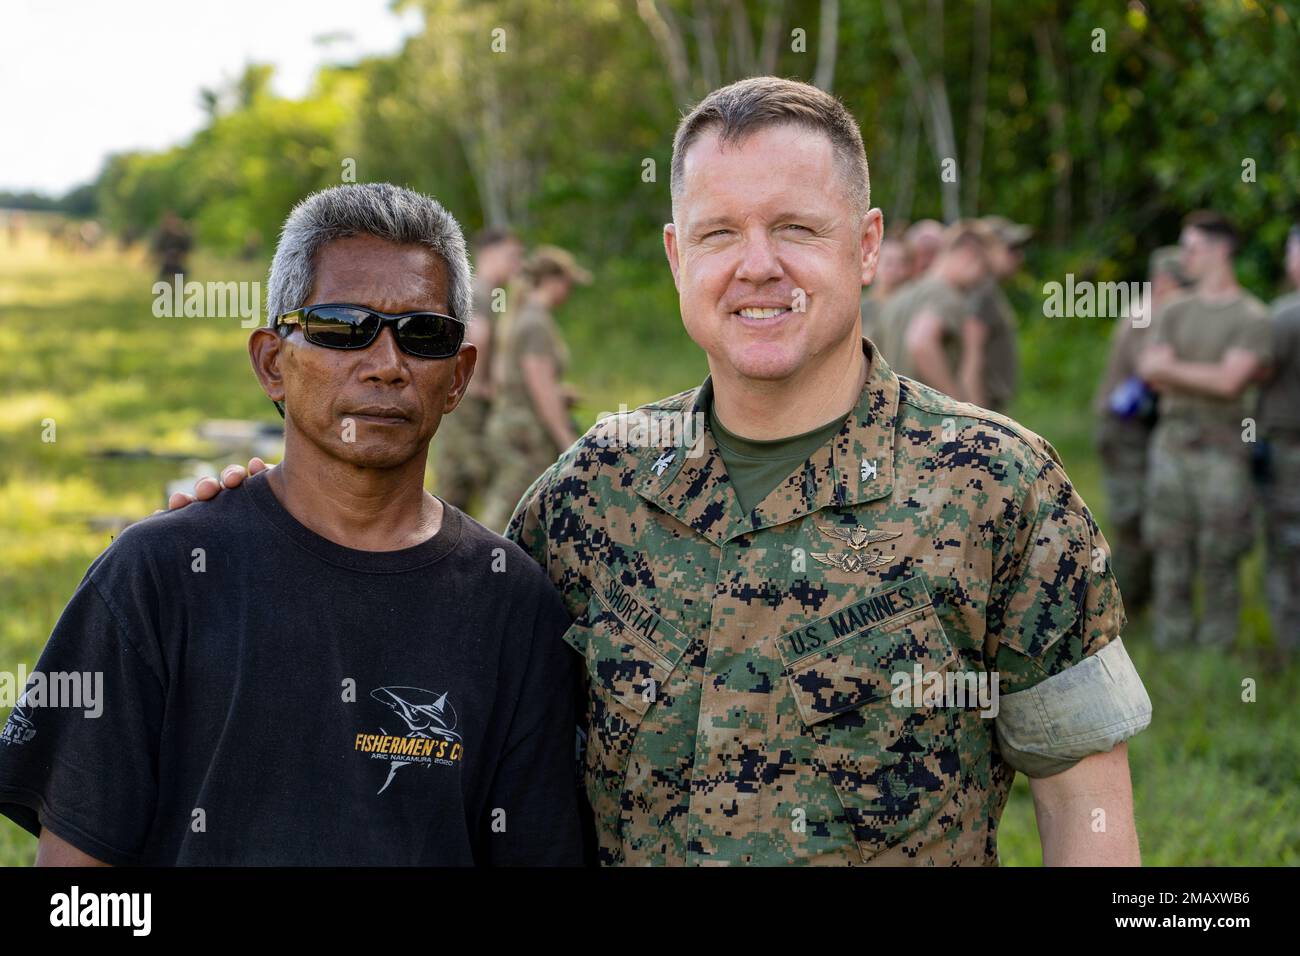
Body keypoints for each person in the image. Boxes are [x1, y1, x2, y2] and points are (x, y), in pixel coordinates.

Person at [177, 78, 1151, 867]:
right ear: (678, 257)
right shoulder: (585, 493)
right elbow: (424, 670)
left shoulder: (999, 484)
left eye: (797, 229)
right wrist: (264, 518)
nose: (757, 264)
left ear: (864, 247)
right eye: (721, 232)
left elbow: (1085, 800)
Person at [0, 183, 582, 866]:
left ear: (458, 377)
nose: (388, 366)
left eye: (423, 335)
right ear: (272, 364)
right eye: (342, 327)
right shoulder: (157, 578)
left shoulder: (514, 605)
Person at [1138, 211, 1273, 649]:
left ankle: (1218, 648)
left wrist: (1174, 369)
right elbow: (1149, 371)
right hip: (1171, 441)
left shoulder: (1252, 316)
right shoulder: (1175, 309)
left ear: (1220, 250)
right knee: (1169, 546)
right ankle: (1170, 644)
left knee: (1221, 551)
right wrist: (1208, 374)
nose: (1184, 258)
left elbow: (1230, 382)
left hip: (1224, 448)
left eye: (1191, 247)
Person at [1093, 246, 1188, 613]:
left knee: (1144, 514)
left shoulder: (1151, 311)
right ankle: (1121, 604)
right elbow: (1154, 373)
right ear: (1165, 282)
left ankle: (1134, 599)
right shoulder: (1148, 315)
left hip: (1135, 427)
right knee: (1132, 518)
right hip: (1125, 430)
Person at [480, 245, 591, 532]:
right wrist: (567, 440)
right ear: (553, 282)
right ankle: (474, 566)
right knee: (510, 509)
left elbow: (514, 379)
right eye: (567, 284)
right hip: (525, 432)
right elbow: (541, 390)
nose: (568, 293)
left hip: (513, 424)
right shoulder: (535, 323)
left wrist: (559, 392)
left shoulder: (522, 316)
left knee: (519, 507)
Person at [433, 227, 524, 512]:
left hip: (457, 395)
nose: (516, 265)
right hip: (469, 398)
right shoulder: (481, 291)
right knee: (483, 470)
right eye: (511, 256)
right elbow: (477, 336)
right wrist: (481, 384)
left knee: (453, 477)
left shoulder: (476, 290)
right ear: (489, 254)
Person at [876, 222, 992, 404]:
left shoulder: (903, 294)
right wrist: (955, 405)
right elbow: (921, 342)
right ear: (968, 256)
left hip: (894, 414)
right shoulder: (945, 293)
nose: (981, 278)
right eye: (984, 268)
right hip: (928, 420)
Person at [1256, 224, 1300, 654]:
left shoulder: (1286, 315)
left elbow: (1257, 372)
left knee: (1287, 552)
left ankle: (1289, 652)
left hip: (1290, 451)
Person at [970, 216, 1030, 412]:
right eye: (1011, 249)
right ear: (988, 249)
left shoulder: (988, 290)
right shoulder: (981, 292)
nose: (1019, 257)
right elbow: (972, 359)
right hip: (984, 405)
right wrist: (978, 418)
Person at [859, 236, 911, 344]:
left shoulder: (912, 306)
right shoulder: (859, 307)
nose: (893, 269)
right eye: (888, 262)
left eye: (900, 263)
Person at [152, 211, 192, 281]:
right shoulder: (163, 236)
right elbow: (158, 251)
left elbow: (186, 252)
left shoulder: (182, 237)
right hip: (166, 264)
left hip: (177, 264)